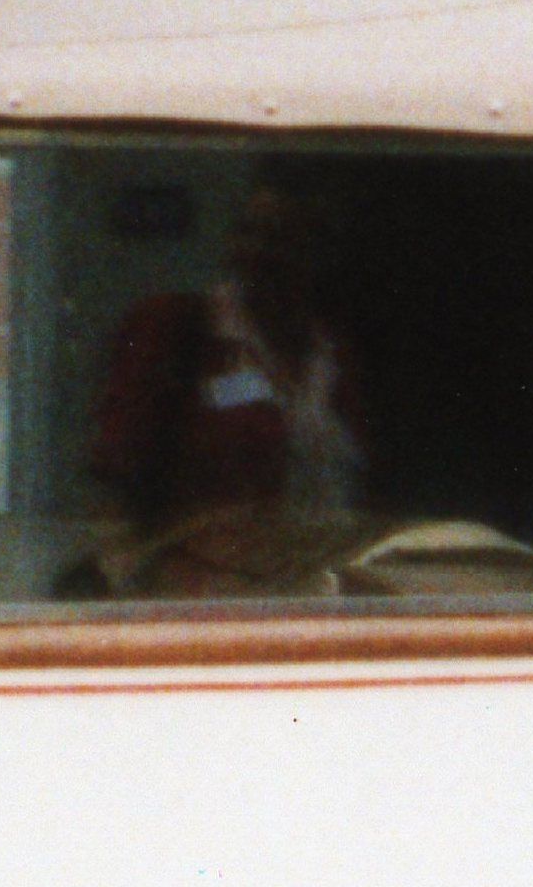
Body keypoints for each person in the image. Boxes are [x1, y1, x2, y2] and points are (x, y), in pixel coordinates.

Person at [82, 184, 367, 592]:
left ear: (317, 255)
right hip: (207, 592)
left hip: (319, 591)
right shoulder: (179, 328)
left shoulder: (333, 353)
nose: (260, 252)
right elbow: (116, 467)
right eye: (249, 232)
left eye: (282, 239)